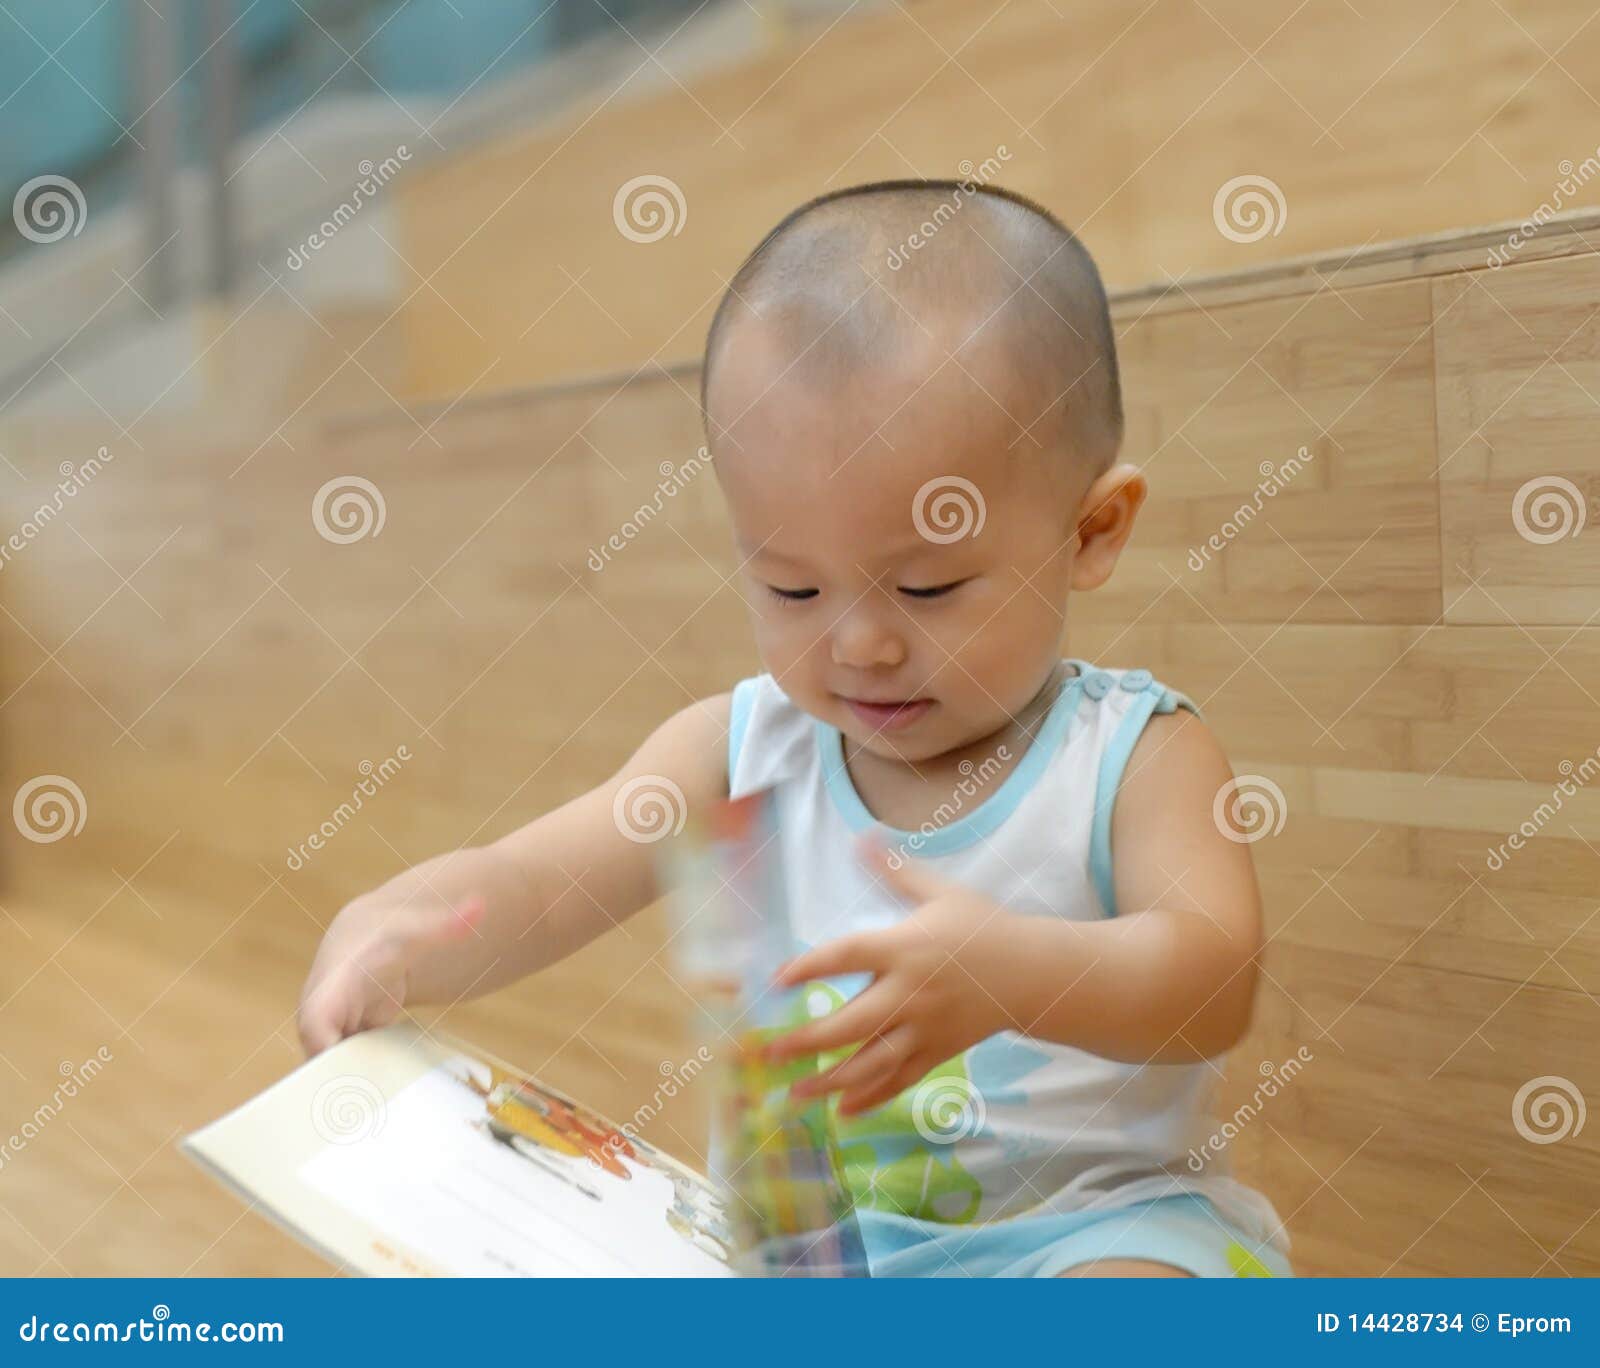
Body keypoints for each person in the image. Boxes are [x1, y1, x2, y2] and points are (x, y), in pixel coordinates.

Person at [297, 180, 1292, 1278]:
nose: (858, 647)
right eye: (792, 592)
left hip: (1084, 1236)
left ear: (1091, 531)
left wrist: (1017, 974)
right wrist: (400, 927)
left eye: (928, 588)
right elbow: (531, 882)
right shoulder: (729, 755)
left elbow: (1213, 983)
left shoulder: (1135, 755)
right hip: (805, 1268)